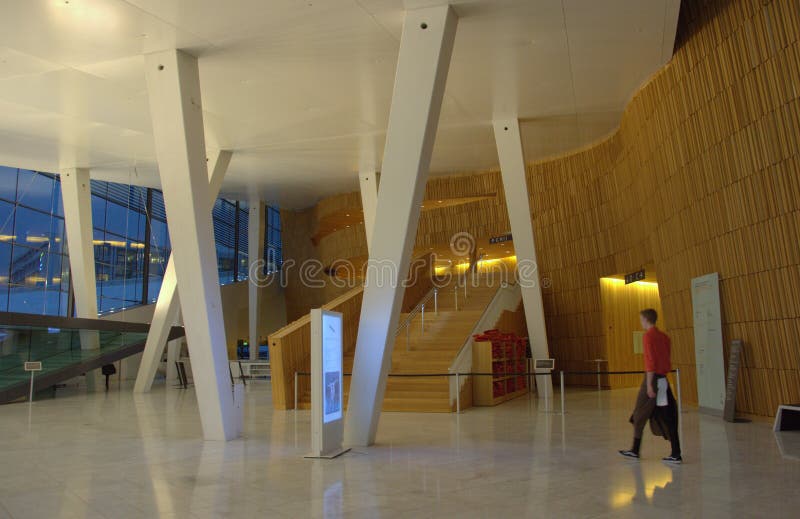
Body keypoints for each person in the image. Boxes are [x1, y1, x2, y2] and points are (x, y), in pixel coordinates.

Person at [619, 308, 682, 464]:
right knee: (668, 415)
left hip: (652, 379)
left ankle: (635, 449)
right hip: (663, 380)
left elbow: (650, 362)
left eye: (641, 319)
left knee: (639, 414)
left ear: (646, 320)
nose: (641, 322)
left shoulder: (648, 336)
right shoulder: (665, 337)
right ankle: (676, 452)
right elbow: (665, 359)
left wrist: (648, 386)